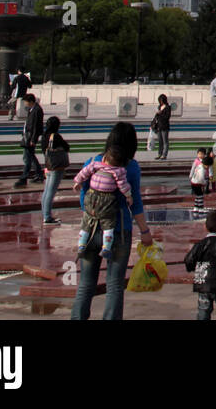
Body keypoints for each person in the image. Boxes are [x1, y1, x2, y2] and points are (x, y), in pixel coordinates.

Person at [70, 122, 153, 320]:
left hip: (89, 230)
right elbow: (136, 203)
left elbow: (83, 198)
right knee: (115, 285)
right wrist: (144, 231)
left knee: (85, 283)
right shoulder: (130, 167)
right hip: (119, 231)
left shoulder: (92, 162)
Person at [40, 115, 69, 225]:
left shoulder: (45, 135)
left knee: (47, 190)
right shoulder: (55, 136)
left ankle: (45, 213)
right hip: (56, 167)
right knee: (51, 192)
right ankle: (47, 217)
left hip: (48, 165)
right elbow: (67, 147)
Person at [14, 93, 45, 187]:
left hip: (30, 137)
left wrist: (33, 139)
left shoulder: (37, 110)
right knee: (30, 156)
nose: (25, 104)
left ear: (31, 101)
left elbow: (36, 126)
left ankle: (24, 177)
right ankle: (39, 174)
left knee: (28, 158)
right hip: (27, 136)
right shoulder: (32, 109)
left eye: (26, 102)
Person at [190, 147, 211, 216]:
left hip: (193, 183)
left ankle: (196, 207)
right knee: (200, 196)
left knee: (197, 196)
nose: (208, 167)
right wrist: (204, 183)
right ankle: (200, 207)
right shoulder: (202, 169)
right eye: (208, 166)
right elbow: (201, 179)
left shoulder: (200, 165)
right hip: (197, 184)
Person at [151, 94, 171, 160]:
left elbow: (167, 117)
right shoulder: (159, 106)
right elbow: (156, 117)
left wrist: (160, 113)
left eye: (161, 100)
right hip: (159, 126)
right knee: (160, 141)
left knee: (165, 141)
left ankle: (164, 155)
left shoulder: (168, 107)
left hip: (164, 126)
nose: (160, 102)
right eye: (159, 100)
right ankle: (159, 154)